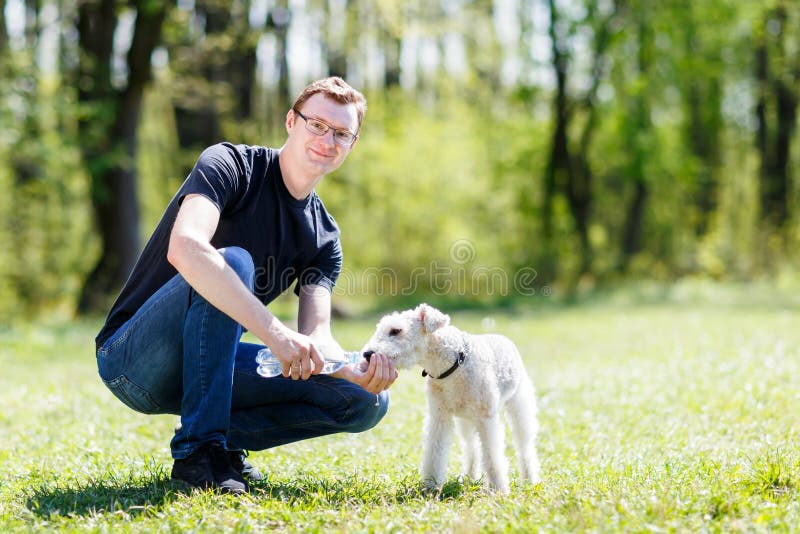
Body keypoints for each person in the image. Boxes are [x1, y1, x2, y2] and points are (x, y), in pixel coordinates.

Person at [94, 77, 397, 494]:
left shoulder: (324, 238)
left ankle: (222, 442)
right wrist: (274, 333)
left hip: (213, 367)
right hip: (133, 360)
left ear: (352, 143)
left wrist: (349, 369)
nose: (328, 140)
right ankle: (198, 455)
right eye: (317, 125)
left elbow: (316, 336)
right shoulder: (232, 164)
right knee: (232, 260)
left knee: (364, 402)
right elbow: (184, 246)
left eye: (342, 133)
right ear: (292, 121)